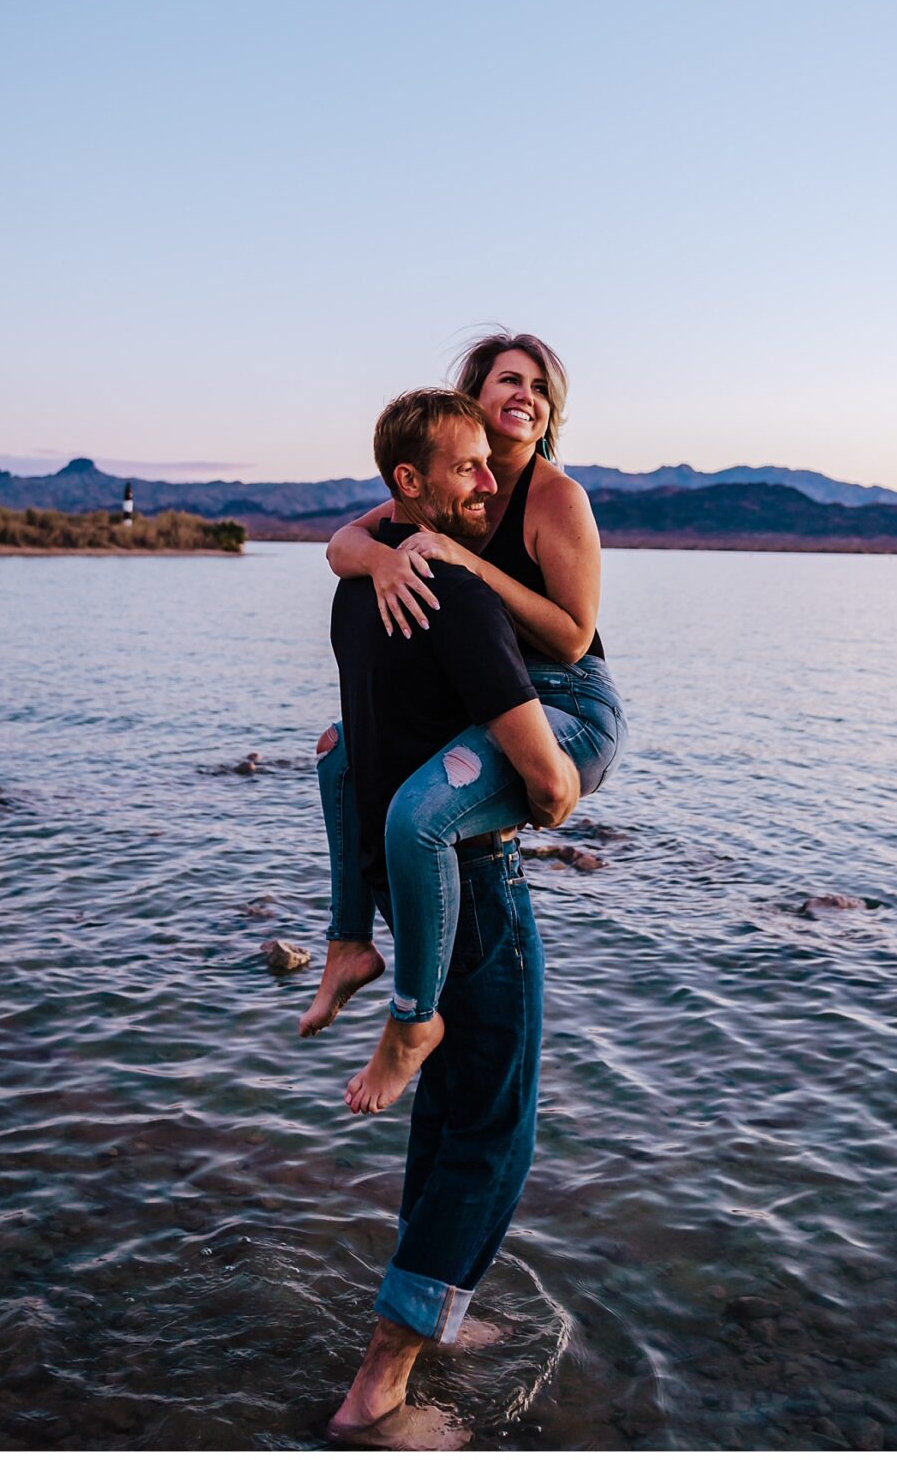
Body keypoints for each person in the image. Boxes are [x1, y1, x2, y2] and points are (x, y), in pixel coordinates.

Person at [324, 388, 580, 1438]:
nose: (488, 482)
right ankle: (382, 1384)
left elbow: (357, 748)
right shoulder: (461, 596)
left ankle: (432, 1308)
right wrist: (567, 775)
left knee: (443, 1111)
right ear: (410, 484)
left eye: (490, 464)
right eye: (468, 466)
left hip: (406, 884)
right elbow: (548, 784)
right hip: (473, 889)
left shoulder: (358, 589)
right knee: (492, 1126)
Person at [301, 331, 628, 1117]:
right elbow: (345, 539)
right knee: (339, 752)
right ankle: (348, 944)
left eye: (540, 388)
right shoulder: (450, 474)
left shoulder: (554, 497)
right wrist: (381, 560)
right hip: (489, 693)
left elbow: (574, 635)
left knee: (419, 816)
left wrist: (464, 561)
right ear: (471, 400)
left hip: (565, 703)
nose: (525, 395)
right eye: (507, 380)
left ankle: (414, 1021)